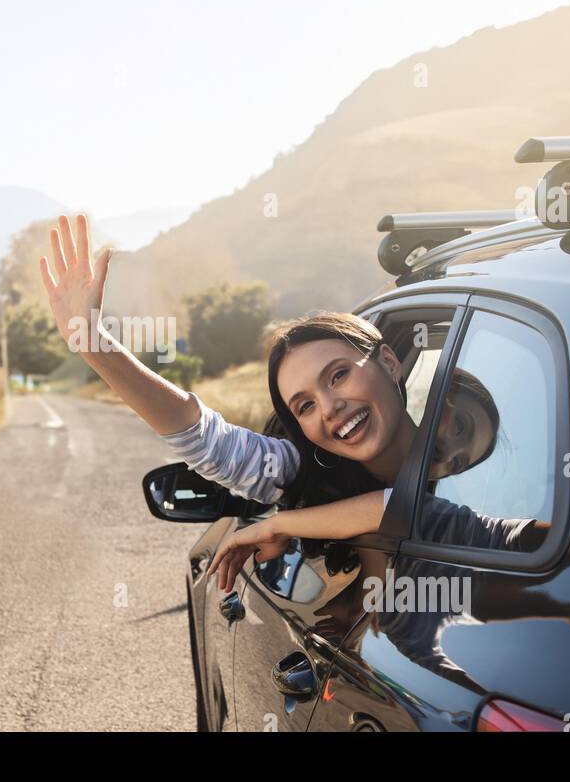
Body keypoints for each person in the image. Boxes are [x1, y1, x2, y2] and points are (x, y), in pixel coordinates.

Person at [38, 214, 521, 592]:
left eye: (339, 375)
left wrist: (286, 523)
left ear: (390, 363)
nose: (330, 407)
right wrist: (95, 347)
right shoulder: (303, 470)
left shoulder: (499, 501)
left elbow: (412, 509)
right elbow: (204, 440)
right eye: (304, 406)